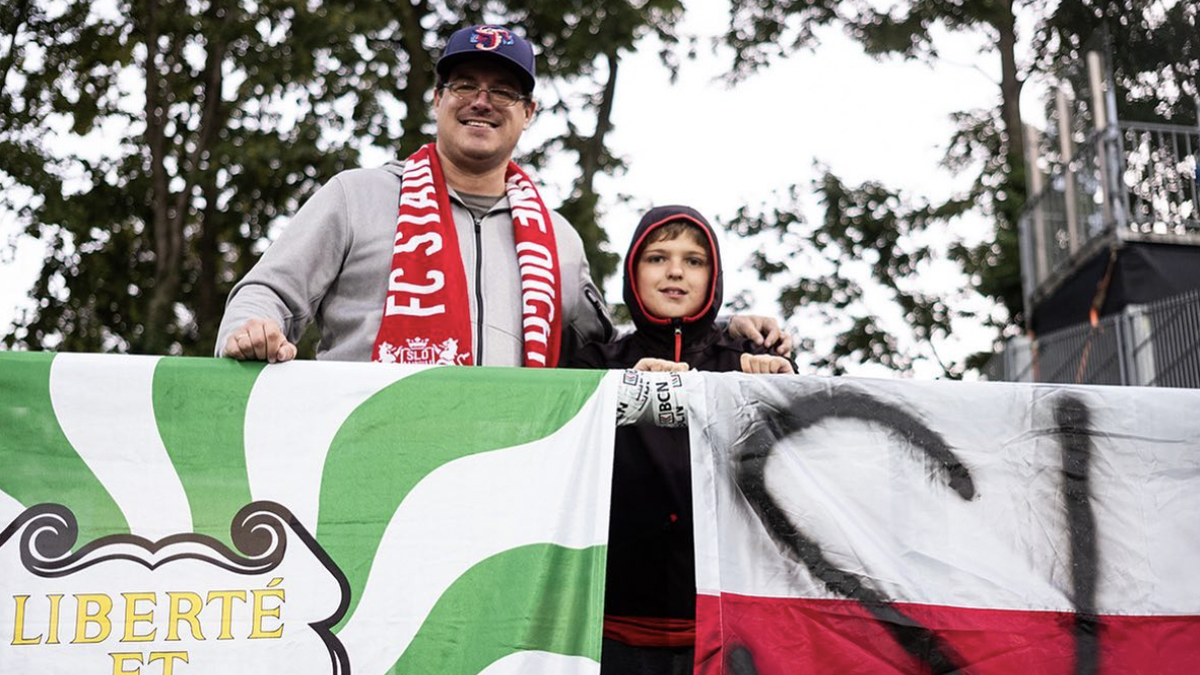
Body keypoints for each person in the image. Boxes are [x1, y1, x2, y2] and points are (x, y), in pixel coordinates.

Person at [215, 24, 790, 366]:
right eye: (464, 84)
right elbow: (269, 292)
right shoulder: (355, 196)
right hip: (360, 457)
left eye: (504, 91)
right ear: (437, 99)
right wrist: (252, 330)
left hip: (508, 484)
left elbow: (610, 353)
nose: (481, 101)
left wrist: (720, 331)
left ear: (528, 112)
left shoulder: (558, 239)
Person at [568, 205, 793, 675]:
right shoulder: (595, 364)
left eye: (694, 261)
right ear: (632, 272)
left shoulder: (750, 361)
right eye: (658, 257)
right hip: (608, 627)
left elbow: (799, 476)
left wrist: (783, 391)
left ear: (714, 278)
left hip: (729, 629)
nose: (675, 271)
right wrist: (623, 393)